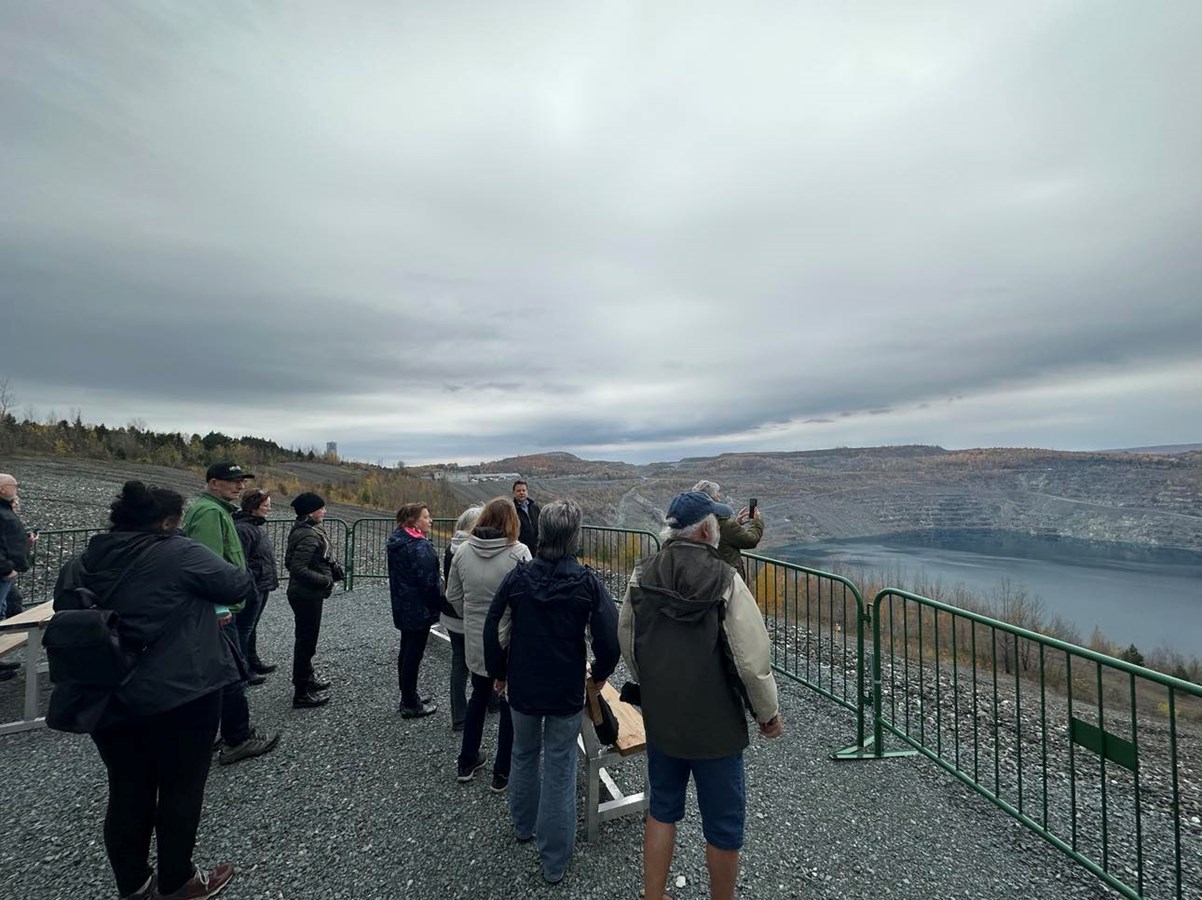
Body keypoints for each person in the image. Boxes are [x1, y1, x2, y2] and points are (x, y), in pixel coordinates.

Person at [50, 481, 253, 900]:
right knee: (181, 787)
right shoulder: (179, 552)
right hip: (182, 690)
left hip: (106, 692)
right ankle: (179, 881)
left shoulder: (80, 562)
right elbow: (237, 585)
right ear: (166, 522)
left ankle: (135, 886)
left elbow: (66, 610)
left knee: (127, 789)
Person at [619, 490, 783, 900]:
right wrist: (767, 714)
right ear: (707, 530)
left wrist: (653, 684)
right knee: (723, 827)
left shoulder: (641, 574)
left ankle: (653, 896)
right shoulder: (726, 580)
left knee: (662, 810)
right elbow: (750, 659)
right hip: (716, 726)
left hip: (663, 719)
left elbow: (629, 640)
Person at [483, 498, 619, 884]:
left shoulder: (519, 577)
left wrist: (498, 672)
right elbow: (609, 639)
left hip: (523, 684)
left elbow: (493, 625)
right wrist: (600, 675)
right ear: (575, 536)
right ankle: (554, 862)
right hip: (564, 690)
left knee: (523, 754)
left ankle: (523, 827)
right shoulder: (587, 582)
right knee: (560, 767)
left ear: (542, 533)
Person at [182, 461, 279, 765]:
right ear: (213, 483)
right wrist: (219, 605)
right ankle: (237, 739)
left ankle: (207, 735)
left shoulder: (215, 510)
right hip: (219, 612)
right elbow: (207, 563)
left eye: (241, 481)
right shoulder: (210, 513)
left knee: (217, 674)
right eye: (233, 481)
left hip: (220, 606)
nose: (240, 486)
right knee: (230, 675)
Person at [446, 497, 531, 788]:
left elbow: (453, 596)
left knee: (478, 695)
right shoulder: (519, 553)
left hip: (475, 637)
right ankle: (502, 771)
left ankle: (467, 760)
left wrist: (471, 617)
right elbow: (527, 599)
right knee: (508, 703)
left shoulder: (462, 551)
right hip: (509, 640)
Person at [387, 501, 442, 718]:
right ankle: (410, 702)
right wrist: (439, 604)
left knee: (406, 650)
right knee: (413, 654)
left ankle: (408, 694)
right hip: (419, 609)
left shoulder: (397, 541)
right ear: (413, 521)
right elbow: (429, 583)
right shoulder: (419, 547)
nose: (430, 520)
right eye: (426, 517)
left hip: (403, 605)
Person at [285, 492, 338, 708]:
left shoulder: (304, 530)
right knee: (306, 642)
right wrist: (325, 580)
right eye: (321, 508)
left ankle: (307, 680)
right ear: (310, 512)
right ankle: (301, 692)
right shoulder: (308, 535)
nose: (324, 511)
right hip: (306, 594)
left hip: (306, 593)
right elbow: (297, 567)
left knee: (307, 640)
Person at [441, 503, 483, 732]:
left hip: (451, 616)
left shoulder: (451, 547)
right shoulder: (470, 550)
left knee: (459, 662)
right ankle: (488, 701)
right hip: (467, 616)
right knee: (481, 660)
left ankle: (459, 714)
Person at [233, 488, 280, 677]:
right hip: (254, 585)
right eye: (266, 505)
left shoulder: (252, 527)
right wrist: (250, 586)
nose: (269, 509)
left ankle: (252, 661)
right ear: (254, 507)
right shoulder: (244, 529)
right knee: (244, 628)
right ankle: (243, 669)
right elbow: (242, 561)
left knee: (251, 626)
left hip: (261, 584)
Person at [0, 473, 36, 680]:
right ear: (2, 488)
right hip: (4, 572)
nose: (17, 489)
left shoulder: (6, 510)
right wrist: (6, 569)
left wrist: (26, 544)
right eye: (15, 485)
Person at [692, 480, 763, 579]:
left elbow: (723, 537)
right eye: (717, 494)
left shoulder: (694, 521)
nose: (719, 497)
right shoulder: (724, 524)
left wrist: (736, 523)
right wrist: (756, 522)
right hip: (728, 578)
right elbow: (751, 540)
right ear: (712, 499)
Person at [512, 479, 540, 552]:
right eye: (518, 491)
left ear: (527, 492)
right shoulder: (511, 510)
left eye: (523, 490)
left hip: (537, 548)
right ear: (513, 493)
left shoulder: (535, 507)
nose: (521, 493)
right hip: (520, 549)